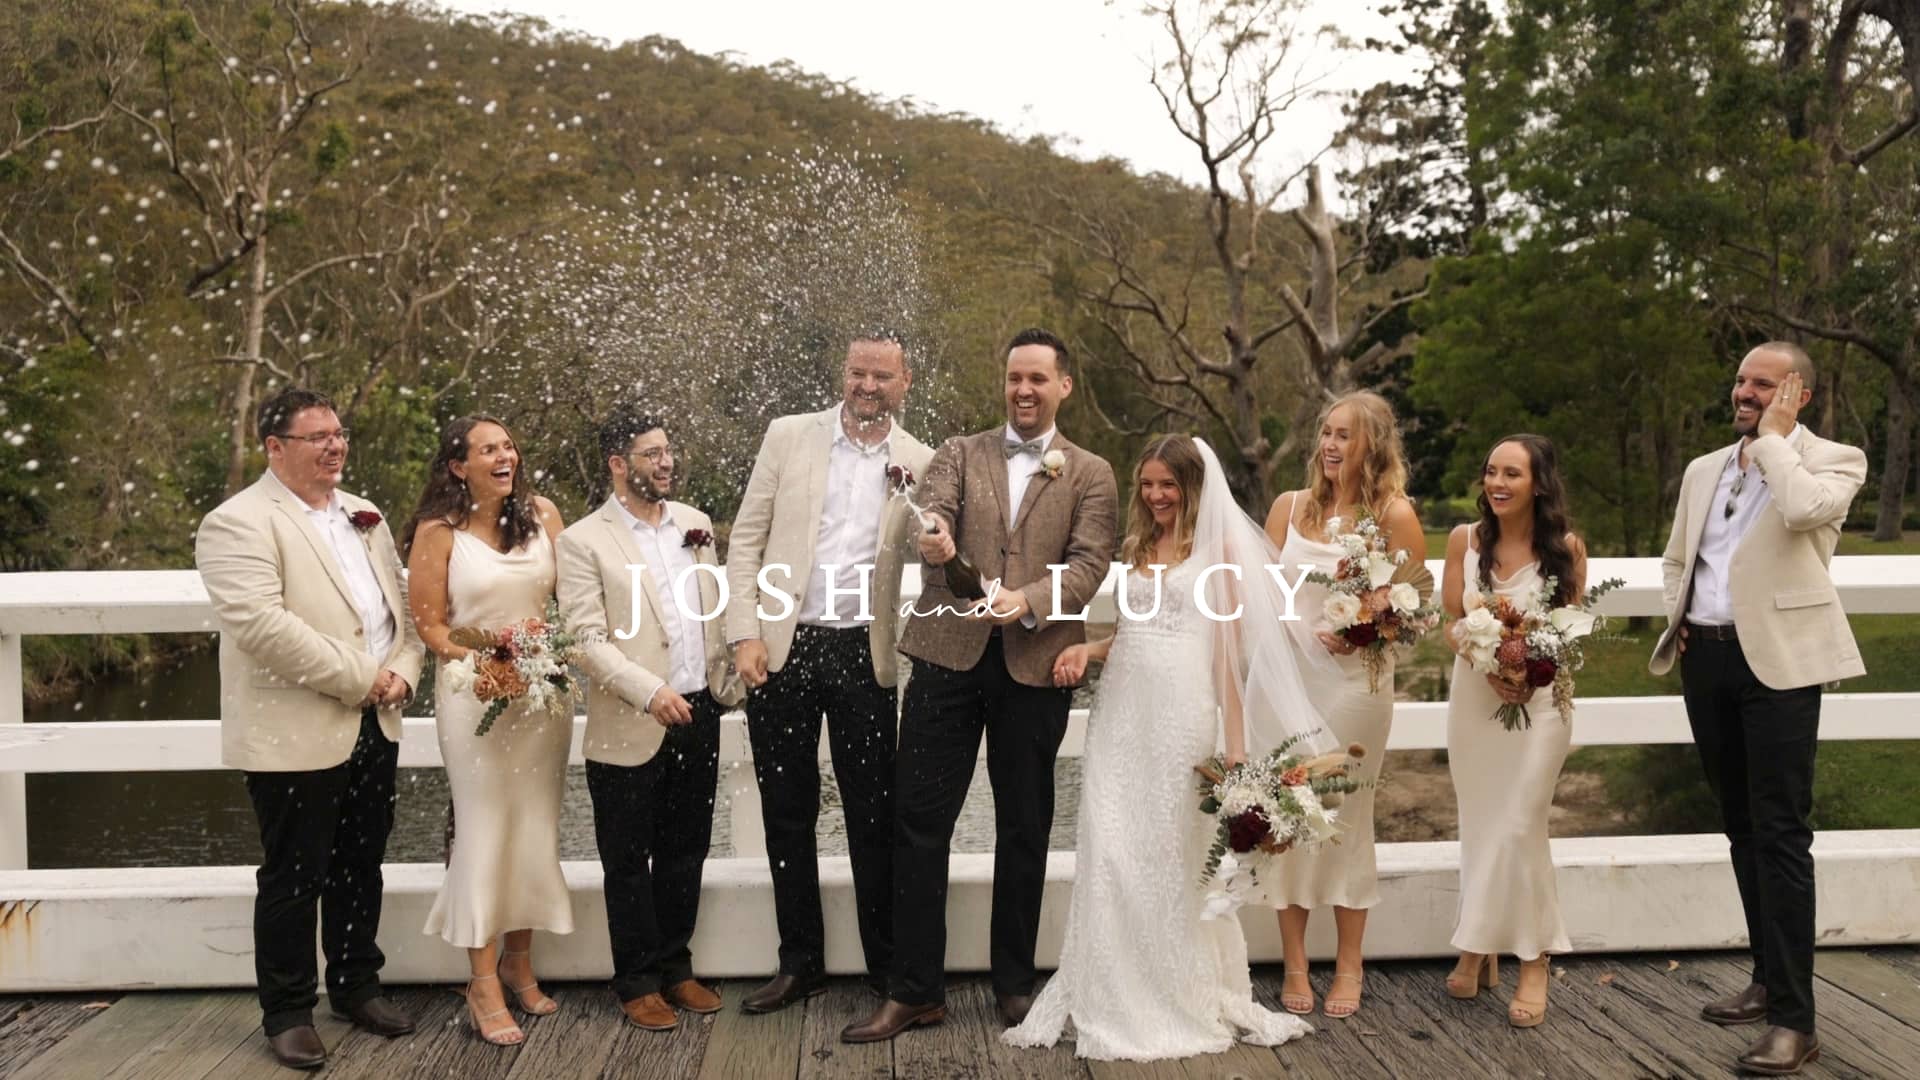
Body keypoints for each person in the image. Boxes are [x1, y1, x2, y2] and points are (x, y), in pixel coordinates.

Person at [1003, 434, 1326, 1059]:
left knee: (1170, 852)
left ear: (1193, 487)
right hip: (1121, 711)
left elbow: (1229, 660)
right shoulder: (1139, 544)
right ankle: (1111, 988)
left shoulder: (1223, 552)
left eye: (1167, 486)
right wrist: (1087, 649)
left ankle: (1173, 989)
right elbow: (1133, 631)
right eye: (1147, 484)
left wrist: (1234, 754)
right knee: (1111, 846)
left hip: (1180, 713)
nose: (1154, 496)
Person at [842, 327, 1118, 1043]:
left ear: (1063, 386)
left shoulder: (1091, 473)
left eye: (1037, 379)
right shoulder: (959, 453)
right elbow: (930, 519)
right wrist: (932, 535)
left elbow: (1089, 567)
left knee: (1024, 827)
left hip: (1034, 665)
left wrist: (1024, 599)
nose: (1023, 390)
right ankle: (914, 991)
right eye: (1014, 379)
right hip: (946, 658)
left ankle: (1015, 987)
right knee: (918, 822)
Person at [1650, 342, 1867, 1076]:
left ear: (1796, 394)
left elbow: (1805, 511)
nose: (1745, 392)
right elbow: (1680, 557)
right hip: (1705, 659)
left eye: (1764, 385)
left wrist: (1773, 442)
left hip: (1778, 665)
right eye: (1742, 380)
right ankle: (1766, 979)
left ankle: (1795, 1022)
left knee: (1781, 833)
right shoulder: (1703, 468)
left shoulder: (1835, 461)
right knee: (1740, 826)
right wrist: (1677, 614)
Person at [195, 386, 425, 1070]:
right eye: (316, 437)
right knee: (294, 875)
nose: (335, 446)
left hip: (376, 723)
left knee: (362, 862)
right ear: (274, 447)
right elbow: (264, 627)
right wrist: (366, 678)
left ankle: (356, 985)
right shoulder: (236, 522)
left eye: (339, 434)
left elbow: (400, 617)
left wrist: (405, 673)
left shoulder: (365, 517)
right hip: (294, 727)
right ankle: (288, 1012)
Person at [724, 332, 935, 1012]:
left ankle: (884, 968)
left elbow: (937, 559)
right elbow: (745, 541)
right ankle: (800, 963)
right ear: (842, 376)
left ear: (905, 383)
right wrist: (744, 633)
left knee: (874, 813)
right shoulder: (789, 436)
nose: (866, 385)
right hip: (782, 648)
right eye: (856, 372)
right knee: (786, 813)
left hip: (862, 653)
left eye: (881, 375)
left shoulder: (922, 463)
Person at [556, 408, 744, 1032]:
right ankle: (635, 981)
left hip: (700, 711)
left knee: (686, 849)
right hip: (631, 721)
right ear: (618, 465)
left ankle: (676, 968)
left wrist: (731, 676)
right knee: (627, 858)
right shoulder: (583, 541)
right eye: (650, 453)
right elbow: (583, 640)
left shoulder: (695, 525)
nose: (666, 462)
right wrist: (648, 690)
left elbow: (712, 611)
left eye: (668, 450)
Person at [404, 416, 571, 1047]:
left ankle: (519, 963)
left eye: (507, 446)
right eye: (487, 450)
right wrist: (489, 660)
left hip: (541, 699)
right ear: (457, 467)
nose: (504, 456)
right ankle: (481, 981)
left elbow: (568, 601)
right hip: (474, 697)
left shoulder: (544, 514)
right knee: (483, 831)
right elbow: (431, 626)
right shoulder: (438, 533)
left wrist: (543, 652)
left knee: (535, 826)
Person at [1260, 391, 1424, 1019]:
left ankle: (1350, 966)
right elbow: (1261, 594)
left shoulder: (1394, 514)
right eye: (1326, 433)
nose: (1330, 446)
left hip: (1357, 686)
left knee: (1346, 819)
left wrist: (1362, 627)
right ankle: (1296, 963)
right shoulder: (1289, 507)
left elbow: (1416, 607)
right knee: (1288, 813)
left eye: (1344, 437)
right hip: (1289, 683)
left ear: (1371, 447)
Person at [1439, 434, 1588, 1029]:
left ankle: (1533, 957)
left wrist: (1527, 671)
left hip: (1542, 706)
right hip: (1475, 701)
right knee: (1481, 824)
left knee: (1523, 824)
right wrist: (1489, 662)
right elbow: (1452, 624)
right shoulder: (1464, 541)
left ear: (1539, 484)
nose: (1497, 484)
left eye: (1512, 474)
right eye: (1491, 471)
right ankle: (1478, 943)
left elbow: (1569, 631)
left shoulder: (1566, 550)